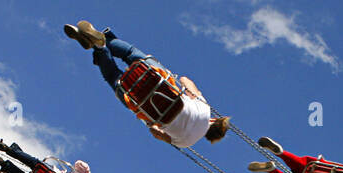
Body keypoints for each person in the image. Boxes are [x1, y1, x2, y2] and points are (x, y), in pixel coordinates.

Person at [62, 22, 231, 148]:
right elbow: (156, 133)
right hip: (140, 102)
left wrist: (193, 92)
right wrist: (155, 124)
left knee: (130, 54)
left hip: (158, 81)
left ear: (214, 120)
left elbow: (185, 80)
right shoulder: (185, 143)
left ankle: (102, 40)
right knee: (113, 76)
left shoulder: (205, 110)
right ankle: (99, 47)